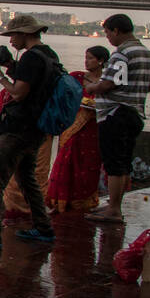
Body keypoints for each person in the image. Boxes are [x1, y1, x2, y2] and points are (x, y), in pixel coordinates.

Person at [0, 15, 61, 250]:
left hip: (18, 128)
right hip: (37, 128)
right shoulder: (49, 55)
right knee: (27, 179)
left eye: (13, 36)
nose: (11, 41)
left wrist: (0, 76)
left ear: (25, 34)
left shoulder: (30, 58)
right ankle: (43, 226)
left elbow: (18, 93)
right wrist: (10, 65)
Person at [85, 14, 150, 224]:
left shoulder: (123, 53)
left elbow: (109, 84)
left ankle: (114, 209)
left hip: (116, 114)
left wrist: (91, 87)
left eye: (108, 33)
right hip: (135, 111)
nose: (107, 38)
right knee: (124, 163)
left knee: (114, 164)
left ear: (116, 30)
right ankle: (115, 205)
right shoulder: (147, 53)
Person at [45, 46, 106, 213]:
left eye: (91, 58)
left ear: (101, 61)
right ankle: (60, 201)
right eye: (85, 57)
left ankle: (83, 200)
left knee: (88, 165)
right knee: (66, 161)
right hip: (72, 126)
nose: (86, 61)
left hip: (93, 129)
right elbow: (60, 95)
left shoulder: (106, 83)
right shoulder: (76, 77)